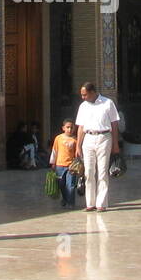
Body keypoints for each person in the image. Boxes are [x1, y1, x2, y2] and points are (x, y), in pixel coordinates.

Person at [75, 81, 121, 213]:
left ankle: (101, 203)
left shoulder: (108, 103)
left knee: (102, 171)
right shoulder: (83, 106)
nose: (83, 97)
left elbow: (114, 124)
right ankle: (90, 203)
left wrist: (115, 143)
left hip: (104, 137)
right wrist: (78, 145)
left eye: (85, 95)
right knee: (88, 172)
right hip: (88, 138)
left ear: (92, 92)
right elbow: (81, 126)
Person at [49, 120, 79, 209]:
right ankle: (65, 198)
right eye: (67, 127)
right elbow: (54, 151)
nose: (69, 129)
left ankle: (71, 203)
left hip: (71, 166)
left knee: (71, 185)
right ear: (63, 128)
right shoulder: (58, 138)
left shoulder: (75, 139)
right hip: (59, 165)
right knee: (61, 184)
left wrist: (78, 165)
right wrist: (53, 163)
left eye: (71, 127)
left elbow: (77, 154)